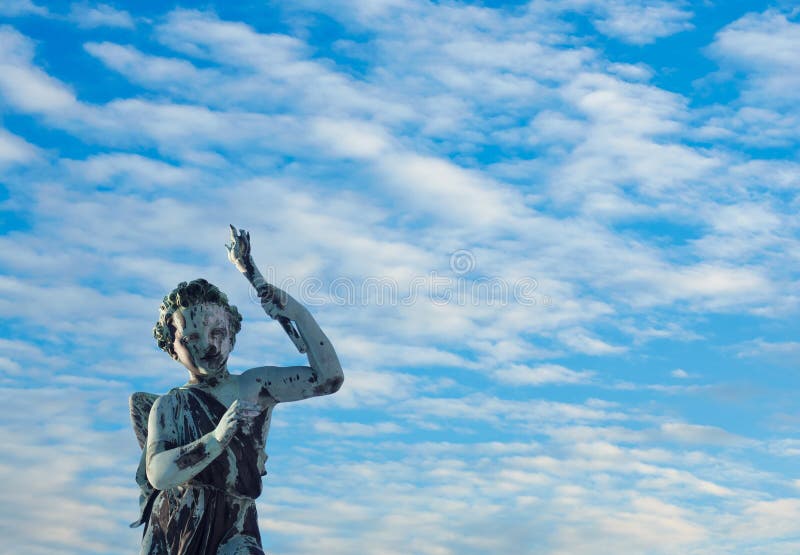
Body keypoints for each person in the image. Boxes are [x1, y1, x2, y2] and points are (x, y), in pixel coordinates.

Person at [130, 227, 343, 555]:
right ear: (172, 348)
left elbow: (328, 378)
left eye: (218, 332)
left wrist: (297, 312)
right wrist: (216, 438)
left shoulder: (253, 386)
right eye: (191, 339)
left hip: (238, 523)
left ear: (232, 335)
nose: (210, 346)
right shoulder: (170, 406)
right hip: (177, 525)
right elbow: (159, 473)